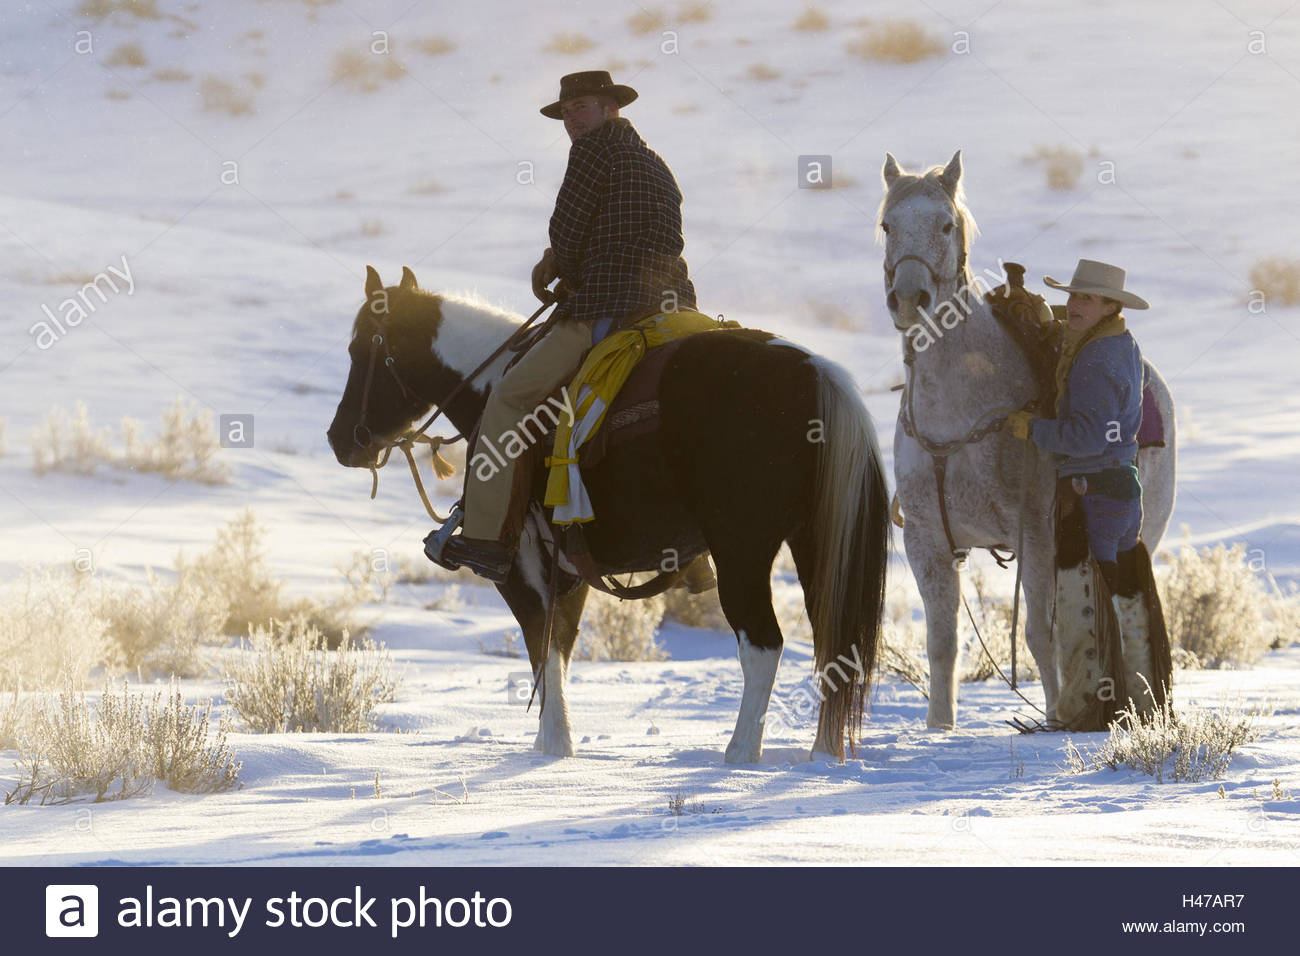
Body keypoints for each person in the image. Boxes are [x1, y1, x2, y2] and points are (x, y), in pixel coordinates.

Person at [426, 71, 697, 583]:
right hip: (673, 310)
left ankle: (484, 538)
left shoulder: (592, 153)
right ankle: (697, 556)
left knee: (506, 402)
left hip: (608, 307)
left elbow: (568, 235)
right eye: (567, 111)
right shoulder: (656, 163)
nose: (572, 120)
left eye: (582, 107)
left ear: (610, 109)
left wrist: (559, 266)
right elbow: (662, 235)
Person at [1005, 259, 1146, 593]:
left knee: (1088, 610)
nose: (1073, 305)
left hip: (1092, 497)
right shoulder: (1124, 343)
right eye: (1073, 296)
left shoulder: (1095, 360)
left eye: (1086, 299)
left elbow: (1088, 439)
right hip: (1123, 493)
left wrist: (1033, 429)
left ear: (1111, 306)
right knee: (1118, 607)